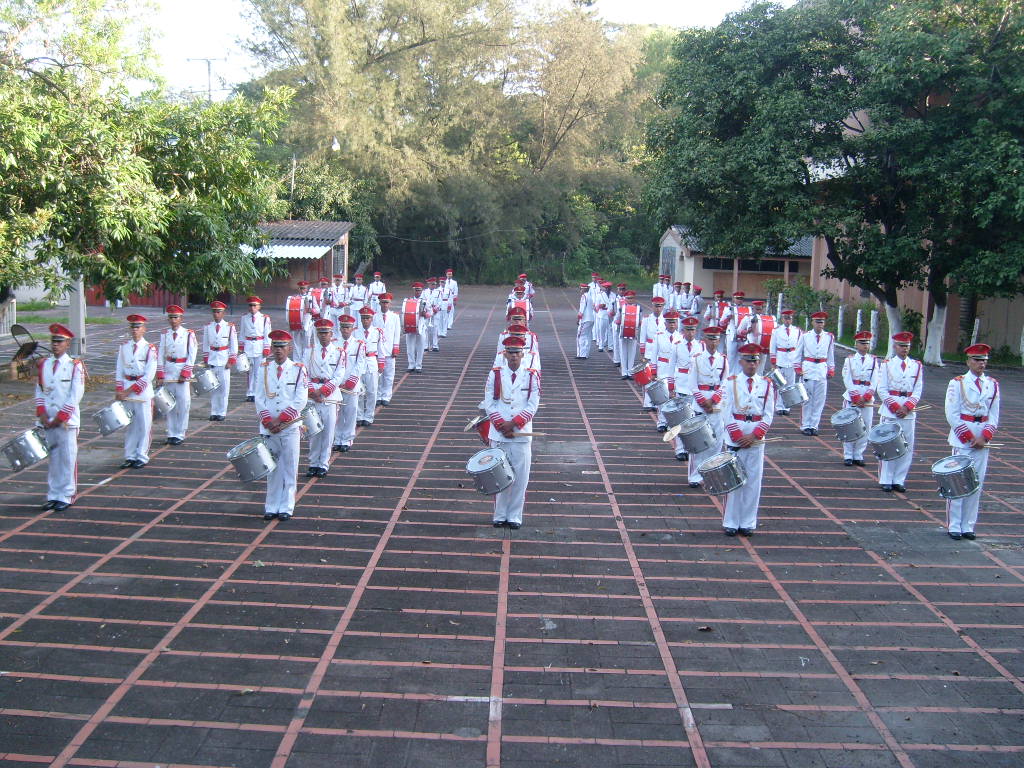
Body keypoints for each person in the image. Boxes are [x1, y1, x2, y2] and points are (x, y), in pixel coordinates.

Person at [944, 343, 1000, 540]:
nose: (981, 364)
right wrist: (969, 437)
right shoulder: (957, 383)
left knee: (976, 482)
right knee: (958, 481)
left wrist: (985, 436)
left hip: (982, 437)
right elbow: (952, 413)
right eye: (977, 360)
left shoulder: (992, 384)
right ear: (968, 361)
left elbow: (994, 414)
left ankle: (968, 525)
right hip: (963, 437)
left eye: (984, 360)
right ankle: (954, 524)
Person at [483, 336, 540, 529]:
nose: (514, 356)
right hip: (499, 433)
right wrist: (501, 425)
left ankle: (515, 516)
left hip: (521, 433)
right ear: (504, 353)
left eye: (517, 352)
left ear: (523, 353)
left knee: (520, 477)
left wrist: (514, 423)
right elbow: (489, 403)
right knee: (499, 476)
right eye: (510, 352)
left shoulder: (532, 375)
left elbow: (533, 405)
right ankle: (499, 515)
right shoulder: (495, 374)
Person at [720, 343, 776, 535]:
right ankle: (731, 521)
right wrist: (737, 436)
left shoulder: (767, 384)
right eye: (749, 361)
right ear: (741, 361)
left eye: (756, 361)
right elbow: (726, 412)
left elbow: (769, 414)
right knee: (734, 479)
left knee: (753, 480)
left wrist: (754, 435)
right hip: (736, 432)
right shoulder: (731, 382)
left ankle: (748, 522)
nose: (752, 365)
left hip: (755, 434)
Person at [254, 330, 308, 520]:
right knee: (272, 467)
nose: (278, 350)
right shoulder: (263, 368)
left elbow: (301, 398)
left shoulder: (298, 369)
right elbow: (258, 396)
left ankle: (286, 506)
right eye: (275, 346)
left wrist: (281, 420)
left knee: (290, 467)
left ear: (289, 348)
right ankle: (271, 505)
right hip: (269, 426)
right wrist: (268, 421)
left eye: (282, 346)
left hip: (290, 426)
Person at [35, 323, 85, 511]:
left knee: (67, 458)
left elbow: (76, 394)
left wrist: (62, 416)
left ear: (67, 344)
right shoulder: (45, 364)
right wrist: (41, 413)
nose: (55, 345)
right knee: (53, 458)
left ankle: (67, 494)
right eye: (53, 341)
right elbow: (40, 390)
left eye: (59, 342)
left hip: (66, 421)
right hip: (49, 420)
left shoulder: (74, 366)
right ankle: (54, 494)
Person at [876, 331, 922, 493]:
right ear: (895, 346)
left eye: (907, 346)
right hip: (891, 410)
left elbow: (918, 390)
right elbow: (881, 388)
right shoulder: (887, 365)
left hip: (908, 410)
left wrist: (907, 406)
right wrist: (895, 407)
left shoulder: (916, 366)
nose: (905, 349)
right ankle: (886, 478)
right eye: (901, 346)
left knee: (906, 445)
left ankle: (899, 479)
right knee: (888, 444)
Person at [686, 326, 727, 487]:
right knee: (698, 443)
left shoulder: (723, 360)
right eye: (710, 338)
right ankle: (695, 476)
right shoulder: (696, 359)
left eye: (716, 339)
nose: (713, 342)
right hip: (700, 403)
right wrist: (704, 401)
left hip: (716, 405)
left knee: (716, 441)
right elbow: (692, 384)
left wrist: (715, 399)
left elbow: (724, 383)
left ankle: (711, 474)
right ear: (704, 339)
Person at [115, 314, 157, 469]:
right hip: (127, 386)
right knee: (130, 425)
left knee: (144, 425)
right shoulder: (124, 347)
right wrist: (120, 389)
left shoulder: (149, 348)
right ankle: (130, 455)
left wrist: (129, 391)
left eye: (138, 327)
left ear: (144, 329)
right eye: (133, 327)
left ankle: (142, 455)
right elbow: (119, 369)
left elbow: (148, 375)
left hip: (142, 392)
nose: (135, 330)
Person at [305, 319, 344, 478]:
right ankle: (313, 463)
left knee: (328, 432)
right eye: (320, 332)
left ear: (331, 334)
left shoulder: (339, 351)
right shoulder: (309, 351)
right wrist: (312, 392)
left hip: (329, 395)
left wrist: (324, 391)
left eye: (326, 332)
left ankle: (323, 464)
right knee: (313, 431)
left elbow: (339, 374)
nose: (323, 336)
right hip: (313, 394)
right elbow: (303, 373)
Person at [156, 305, 197, 445]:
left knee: (183, 403)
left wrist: (185, 372)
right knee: (169, 403)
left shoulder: (188, 334)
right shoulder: (164, 334)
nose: (173, 320)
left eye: (176, 317)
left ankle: (180, 433)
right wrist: (160, 373)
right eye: (171, 317)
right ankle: (171, 432)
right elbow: (160, 353)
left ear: (181, 318)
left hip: (181, 370)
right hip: (169, 370)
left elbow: (192, 354)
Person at [840, 331, 879, 466]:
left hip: (867, 396)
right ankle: (848, 454)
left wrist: (867, 395)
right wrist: (855, 396)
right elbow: (847, 378)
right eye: (862, 343)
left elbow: (875, 380)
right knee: (850, 425)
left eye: (867, 343)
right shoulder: (850, 360)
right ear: (856, 344)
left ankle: (859, 453)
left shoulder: (873, 360)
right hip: (852, 395)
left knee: (865, 426)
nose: (865, 346)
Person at [796, 311, 835, 435]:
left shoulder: (829, 337)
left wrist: (831, 368)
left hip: (821, 369)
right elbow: (798, 353)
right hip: (808, 367)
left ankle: (814, 425)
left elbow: (830, 354)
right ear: (812, 322)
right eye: (817, 321)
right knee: (807, 399)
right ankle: (805, 425)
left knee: (819, 400)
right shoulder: (805, 336)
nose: (820, 324)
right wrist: (797, 368)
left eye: (822, 322)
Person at [332, 314, 365, 453]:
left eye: (348, 327)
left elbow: (360, 364)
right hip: (337, 384)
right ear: (339, 328)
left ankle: (347, 439)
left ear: (353, 329)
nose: (345, 330)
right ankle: (338, 438)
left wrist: (351, 380)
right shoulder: (334, 343)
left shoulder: (359, 344)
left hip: (351, 384)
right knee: (337, 413)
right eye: (343, 327)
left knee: (350, 412)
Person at [201, 301, 237, 422]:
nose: (216, 314)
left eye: (219, 312)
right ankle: (214, 411)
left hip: (223, 358)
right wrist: (206, 358)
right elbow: (205, 343)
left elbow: (233, 344)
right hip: (212, 358)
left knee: (224, 388)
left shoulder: (229, 326)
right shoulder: (208, 326)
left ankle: (222, 412)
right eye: (214, 312)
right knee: (213, 387)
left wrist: (231, 359)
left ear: (223, 313)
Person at [354, 306, 385, 426]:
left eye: (367, 318)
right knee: (359, 391)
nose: (365, 320)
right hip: (359, 362)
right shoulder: (356, 331)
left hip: (372, 362)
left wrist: (381, 364)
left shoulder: (377, 332)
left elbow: (381, 350)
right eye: (363, 318)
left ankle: (369, 416)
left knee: (372, 391)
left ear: (372, 319)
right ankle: (359, 416)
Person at [768, 309, 802, 415]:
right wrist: (773, 360)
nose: (787, 320)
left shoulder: (797, 331)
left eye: (789, 318)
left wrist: (798, 362)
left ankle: (787, 407)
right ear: (782, 319)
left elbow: (800, 347)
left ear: (792, 319)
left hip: (792, 358)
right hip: (781, 358)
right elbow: (772, 345)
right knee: (780, 384)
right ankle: (779, 407)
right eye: (786, 318)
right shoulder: (776, 330)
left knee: (790, 384)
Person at [239, 296, 271, 401]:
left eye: (254, 305)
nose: (252, 307)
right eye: (250, 305)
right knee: (249, 371)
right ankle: (250, 393)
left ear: (259, 307)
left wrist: (267, 347)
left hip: (260, 345)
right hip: (248, 345)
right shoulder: (244, 317)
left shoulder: (264, 318)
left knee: (260, 371)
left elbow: (267, 334)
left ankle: (259, 392)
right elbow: (242, 332)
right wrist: (241, 346)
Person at [373, 293, 401, 405]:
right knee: (378, 375)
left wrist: (396, 347)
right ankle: (378, 395)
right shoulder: (374, 316)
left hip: (389, 349)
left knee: (389, 375)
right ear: (379, 303)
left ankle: (386, 396)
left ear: (390, 303)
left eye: (387, 302)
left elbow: (397, 333)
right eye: (383, 302)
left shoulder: (395, 316)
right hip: (378, 351)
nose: (385, 305)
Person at [287, 280, 315, 361]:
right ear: (298, 289)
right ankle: (297, 362)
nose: (302, 290)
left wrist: (311, 310)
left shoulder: (311, 298)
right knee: (296, 344)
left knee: (307, 344)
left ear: (307, 289)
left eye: (304, 288)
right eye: (301, 288)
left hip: (307, 324)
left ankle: (306, 361)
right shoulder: (294, 298)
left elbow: (317, 310)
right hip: (296, 324)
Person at [616, 290, 641, 378]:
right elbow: (617, 319)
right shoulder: (621, 308)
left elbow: (640, 321)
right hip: (623, 333)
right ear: (625, 299)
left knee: (632, 353)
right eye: (628, 298)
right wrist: (618, 322)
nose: (629, 300)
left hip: (634, 333)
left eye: (631, 298)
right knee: (623, 352)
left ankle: (630, 372)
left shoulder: (638, 308)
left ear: (634, 299)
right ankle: (624, 372)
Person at [404, 282, 428, 372]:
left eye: (419, 290)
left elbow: (430, 312)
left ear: (422, 290)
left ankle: (418, 365)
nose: (417, 292)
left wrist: (425, 314)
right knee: (410, 346)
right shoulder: (409, 301)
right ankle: (411, 364)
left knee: (420, 346)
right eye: (416, 290)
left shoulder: (425, 301)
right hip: (410, 325)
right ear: (413, 290)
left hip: (421, 326)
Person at [576, 283, 595, 359]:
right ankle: (585, 354)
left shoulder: (584, 297)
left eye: (581, 288)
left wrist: (578, 318)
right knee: (588, 336)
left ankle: (581, 354)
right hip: (591, 318)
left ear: (584, 289)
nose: (580, 290)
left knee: (580, 336)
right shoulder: (590, 297)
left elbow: (582, 309)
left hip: (585, 319)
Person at [594, 282, 614, 352]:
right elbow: (596, 306)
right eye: (606, 288)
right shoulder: (600, 295)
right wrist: (600, 306)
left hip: (611, 314)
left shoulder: (613, 295)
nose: (608, 289)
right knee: (601, 330)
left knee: (611, 330)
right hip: (602, 314)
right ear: (604, 288)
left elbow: (614, 305)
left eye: (609, 288)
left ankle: (610, 346)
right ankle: (601, 345)